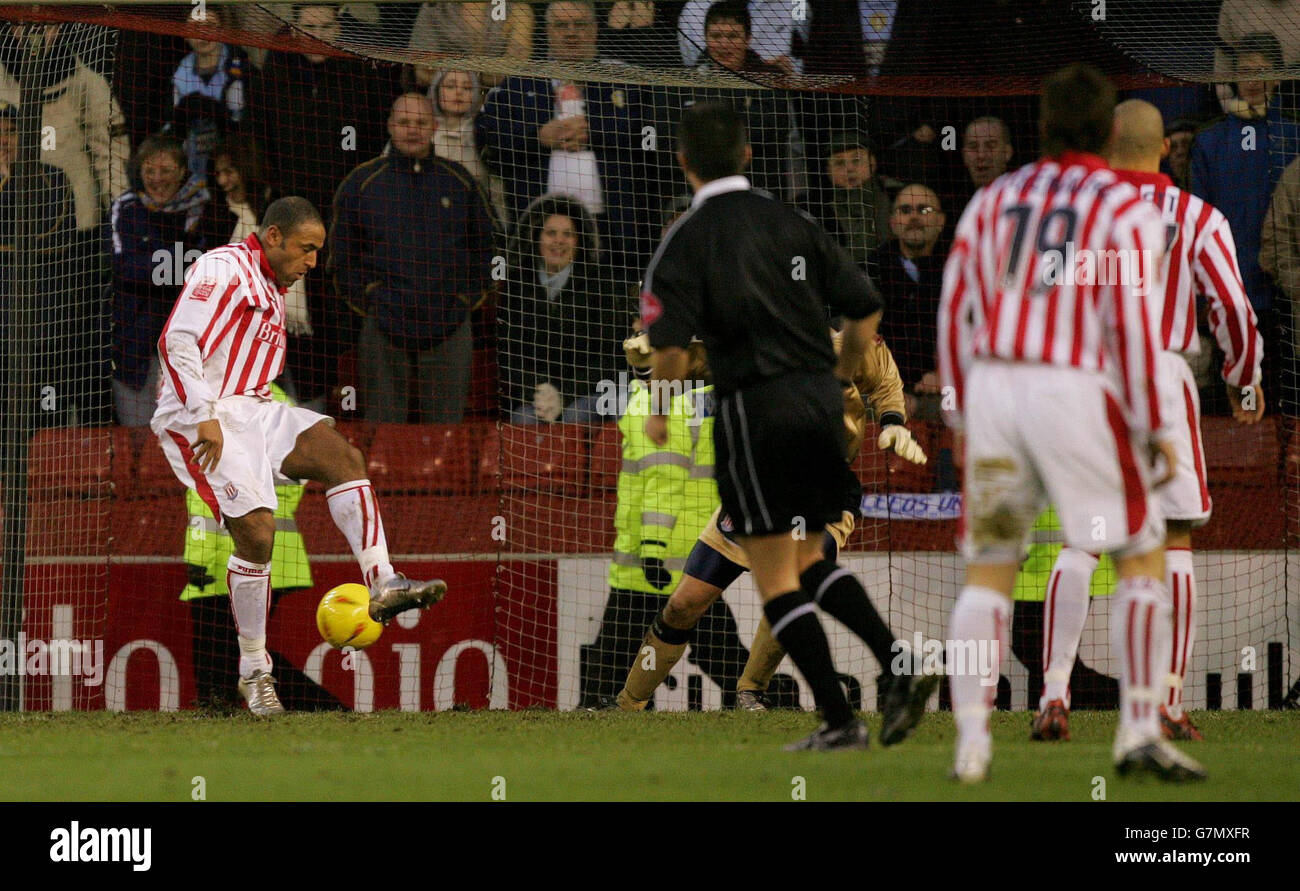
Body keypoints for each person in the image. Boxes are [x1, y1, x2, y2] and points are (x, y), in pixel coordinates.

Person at [938, 63, 1203, 783]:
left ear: (1042, 128)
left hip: (996, 388)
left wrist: (960, 409)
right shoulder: (1123, 209)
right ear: (1112, 130)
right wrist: (1152, 427)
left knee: (988, 571)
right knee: (1141, 551)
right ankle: (1139, 732)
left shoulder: (996, 198)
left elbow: (957, 301)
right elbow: (1130, 328)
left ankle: (971, 741)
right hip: (1075, 389)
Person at [642, 101, 913, 751]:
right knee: (808, 560)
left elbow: (674, 354)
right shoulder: (792, 221)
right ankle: (894, 664)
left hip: (754, 416)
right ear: (748, 156)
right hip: (820, 417)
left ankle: (841, 719)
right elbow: (865, 308)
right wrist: (840, 373)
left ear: (683, 163)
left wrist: (658, 400)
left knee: (777, 575)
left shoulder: (686, 237)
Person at [151, 196, 447, 715]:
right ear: (272, 237)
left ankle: (383, 583)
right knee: (259, 534)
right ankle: (255, 671)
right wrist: (204, 415)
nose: (313, 262)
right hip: (198, 414)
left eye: (317, 251)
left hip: (254, 407)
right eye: (306, 249)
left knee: (343, 458)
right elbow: (177, 340)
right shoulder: (223, 267)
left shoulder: (274, 286)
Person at [1032, 100, 1264, 744]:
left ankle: (1053, 693)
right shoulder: (1196, 217)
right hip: (1160, 378)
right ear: (1167, 149)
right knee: (1175, 538)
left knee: (1079, 541)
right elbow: (1233, 311)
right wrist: (1245, 380)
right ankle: (1166, 698)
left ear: (1105, 145)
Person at [612, 323, 934, 727]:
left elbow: (884, 378)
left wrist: (892, 422)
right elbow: (685, 369)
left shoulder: (840, 345)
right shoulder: (744, 337)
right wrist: (652, 359)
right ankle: (627, 705)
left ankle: (756, 694)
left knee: (792, 586)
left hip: (821, 488)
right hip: (754, 487)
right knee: (684, 604)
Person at [579, 331, 752, 708]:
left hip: (652, 560)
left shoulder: (652, 407)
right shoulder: (697, 401)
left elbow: (664, 479)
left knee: (614, 655)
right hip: (694, 553)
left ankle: (593, 708)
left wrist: (652, 548)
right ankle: (763, 699)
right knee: (719, 650)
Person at [330, 93, 498, 424]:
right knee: (383, 431)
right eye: (405, 122)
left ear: (434, 127)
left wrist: (463, 301)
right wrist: (373, 300)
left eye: (421, 123)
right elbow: (341, 260)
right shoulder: (360, 184)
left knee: (445, 434)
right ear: (390, 126)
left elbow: (488, 254)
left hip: (451, 329)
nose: (413, 130)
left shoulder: (461, 182)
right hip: (383, 330)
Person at [182, 381, 344, 712]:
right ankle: (221, 711)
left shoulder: (237, 402)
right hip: (246, 556)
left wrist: (204, 550)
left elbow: (218, 488)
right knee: (231, 654)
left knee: (231, 656)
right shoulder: (249, 399)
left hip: (239, 557)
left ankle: (325, 709)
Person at [477, 0, 649, 275]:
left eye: (579, 25)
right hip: (538, 227)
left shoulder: (622, 78)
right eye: (561, 25)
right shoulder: (520, 83)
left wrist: (596, 132)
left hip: (610, 227)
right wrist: (538, 137)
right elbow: (489, 136)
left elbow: (649, 135)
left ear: (594, 30)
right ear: (547, 32)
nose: (571, 33)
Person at [110, 135, 210, 426]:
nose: (157, 179)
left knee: (185, 440)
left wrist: (153, 260)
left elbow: (206, 272)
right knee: (138, 439)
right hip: (135, 346)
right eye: (149, 171)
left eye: (165, 170)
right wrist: (179, 262)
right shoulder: (125, 209)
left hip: (190, 348)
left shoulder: (203, 209)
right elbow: (123, 267)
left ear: (182, 171)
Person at [499, 192, 625, 423]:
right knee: (523, 419)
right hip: (534, 398)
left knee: (574, 415)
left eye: (568, 234)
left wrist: (565, 395)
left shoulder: (599, 284)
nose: (559, 241)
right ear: (537, 238)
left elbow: (609, 355)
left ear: (579, 241)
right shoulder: (515, 286)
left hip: (585, 392)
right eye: (551, 233)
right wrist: (539, 393)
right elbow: (509, 355)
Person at [869, 183, 947, 419]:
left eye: (923, 210)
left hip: (944, 389)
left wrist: (943, 373)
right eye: (905, 210)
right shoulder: (872, 269)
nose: (914, 217)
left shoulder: (958, 267)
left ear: (941, 221)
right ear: (892, 222)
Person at [168, 5, 248, 178]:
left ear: (222, 28)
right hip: (192, 165)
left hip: (234, 165)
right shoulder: (178, 73)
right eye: (195, 27)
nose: (203, 34)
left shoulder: (242, 65)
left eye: (210, 26)